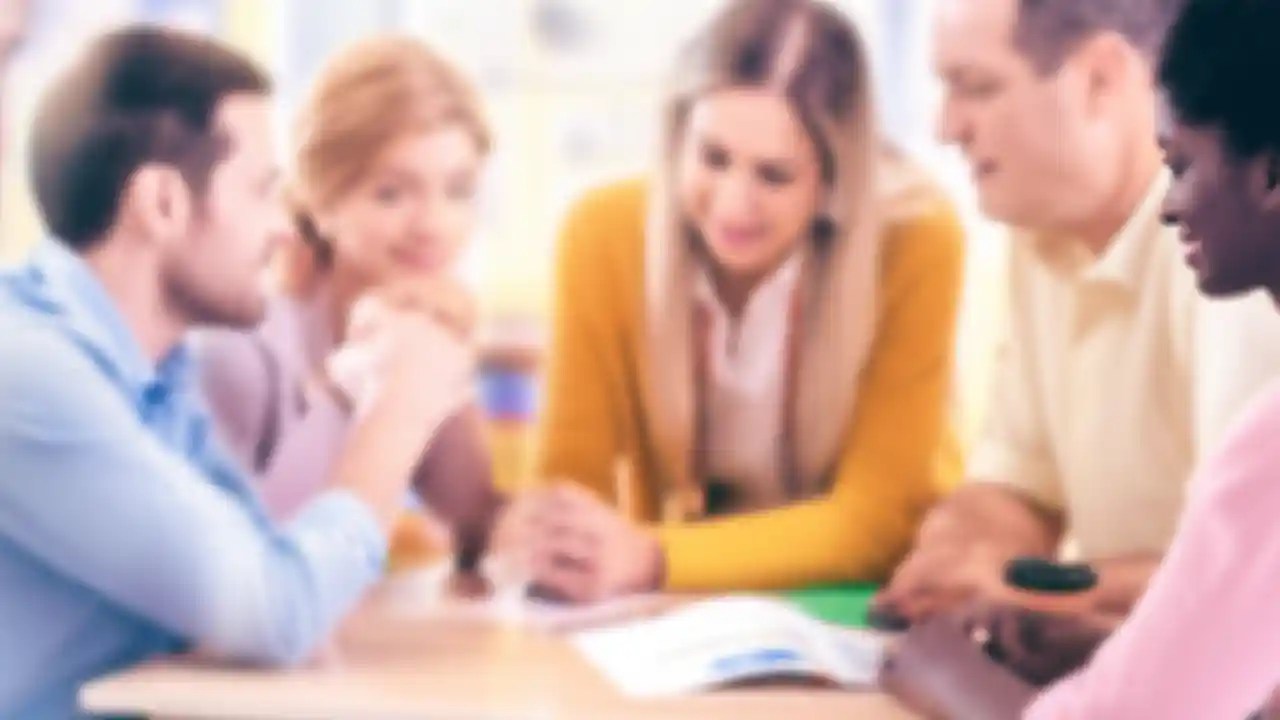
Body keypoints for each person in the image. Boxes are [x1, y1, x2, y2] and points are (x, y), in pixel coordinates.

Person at [0, 27, 471, 718]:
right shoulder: (29, 374)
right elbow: (281, 613)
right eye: (261, 192)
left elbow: (276, 590)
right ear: (161, 203)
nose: (285, 229)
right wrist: (395, 411)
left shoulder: (160, 372)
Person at [497, 0, 967, 602]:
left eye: (773, 175)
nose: (732, 205)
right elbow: (569, 488)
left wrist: (652, 556)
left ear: (834, 181)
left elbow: (876, 522)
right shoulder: (602, 235)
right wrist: (560, 545)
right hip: (680, 605)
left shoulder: (916, 241)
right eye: (712, 158)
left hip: (855, 602)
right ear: (677, 139)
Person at [888, 1, 1280, 716]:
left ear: (1101, 79)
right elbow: (1012, 487)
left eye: (976, 86)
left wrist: (948, 666)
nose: (946, 126)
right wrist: (961, 555)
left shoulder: (1238, 293)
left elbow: (1230, 596)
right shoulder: (1043, 240)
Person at [195, 35, 502, 576]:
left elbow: (472, 522)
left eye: (457, 190)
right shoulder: (243, 349)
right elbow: (270, 560)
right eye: (391, 193)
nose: (433, 225)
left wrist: (444, 349)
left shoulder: (416, 321)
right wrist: (363, 378)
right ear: (321, 199)